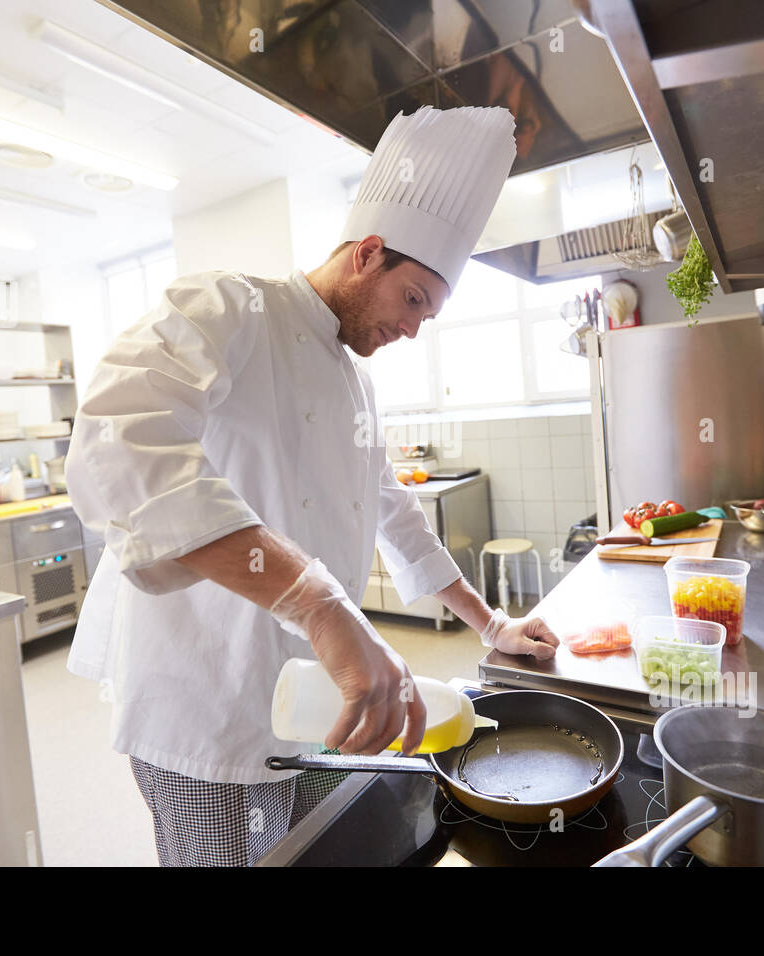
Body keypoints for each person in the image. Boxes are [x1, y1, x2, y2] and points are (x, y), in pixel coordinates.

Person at [64, 105, 560, 867]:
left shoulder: (355, 383)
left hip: (315, 699)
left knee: (308, 857)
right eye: (416, 299)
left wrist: (490, 625)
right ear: (367, 254)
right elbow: (118, 438)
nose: (416, 328)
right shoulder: (231, 308)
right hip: (204, 701)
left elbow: (395, 512)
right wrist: (320, 603)